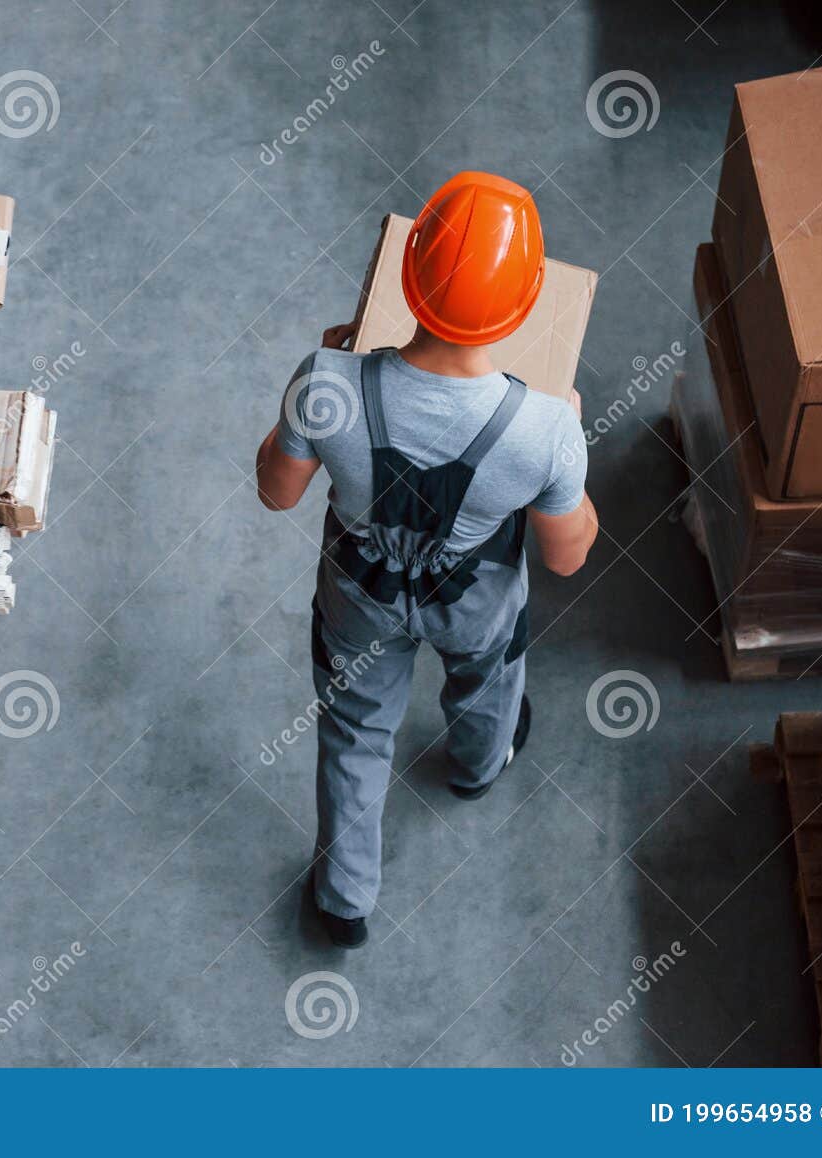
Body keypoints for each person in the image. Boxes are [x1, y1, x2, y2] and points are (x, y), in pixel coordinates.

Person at [253, 171, 599, 949]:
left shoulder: (326, 381)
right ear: (529, 300)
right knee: (487, 680)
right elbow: (568, 555)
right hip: (473, 597)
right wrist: (568, 452)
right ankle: (479, 765)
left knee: (356, 726)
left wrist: (311, 396)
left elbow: (277, 493)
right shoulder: (545, 427)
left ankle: (343, 900)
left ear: (407, 273)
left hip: (358, 593)